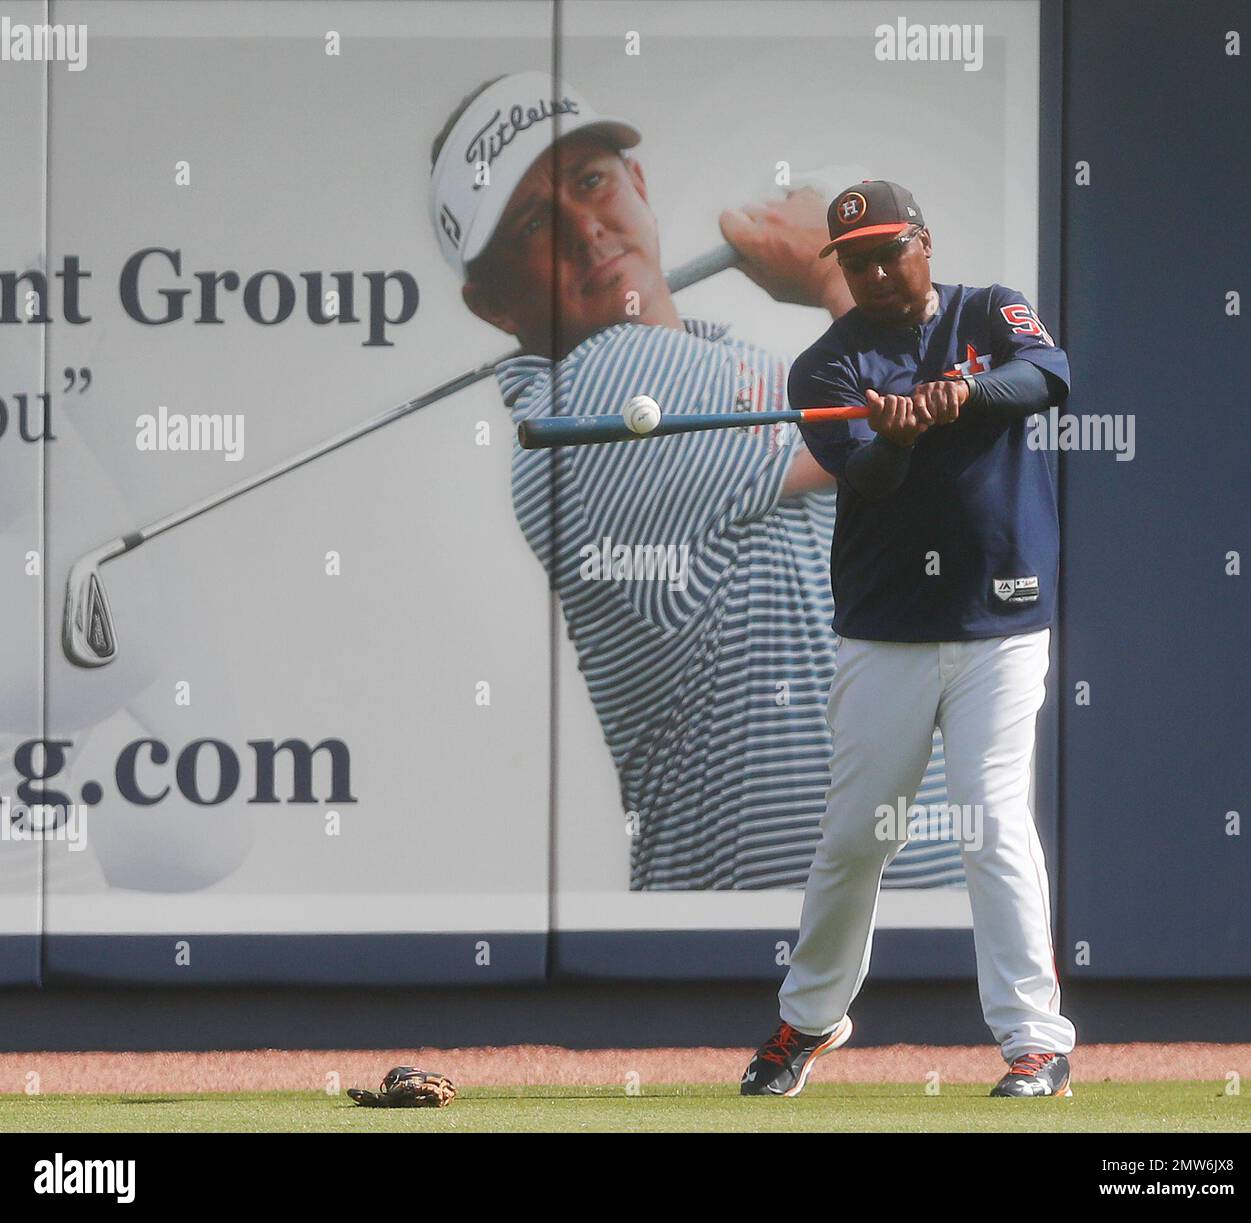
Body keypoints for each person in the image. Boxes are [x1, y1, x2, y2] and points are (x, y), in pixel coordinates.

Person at [429, 74, 962, 890]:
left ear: (636, 185)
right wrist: (834, 266)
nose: (586, 229)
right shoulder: (589, 401)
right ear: (490, 303)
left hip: (884, 933)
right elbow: (922, 412)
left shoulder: (722, 365)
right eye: (535, 223)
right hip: (761, 943)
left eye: (591, 181)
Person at [740, 180, 1076, 1096]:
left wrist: (958, 393)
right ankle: (808, 1021)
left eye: (892, 250)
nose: (878, 271)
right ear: (840, 270)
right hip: (886, 626)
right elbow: (873, 480)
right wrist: (893, 432)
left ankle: (1036, 1043)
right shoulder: (827, 367)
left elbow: (1049, 375)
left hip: (1000, 617)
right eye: (857, 260)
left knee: (992, 819)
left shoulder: (989, 309)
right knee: (855, 834)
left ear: (925, 243)